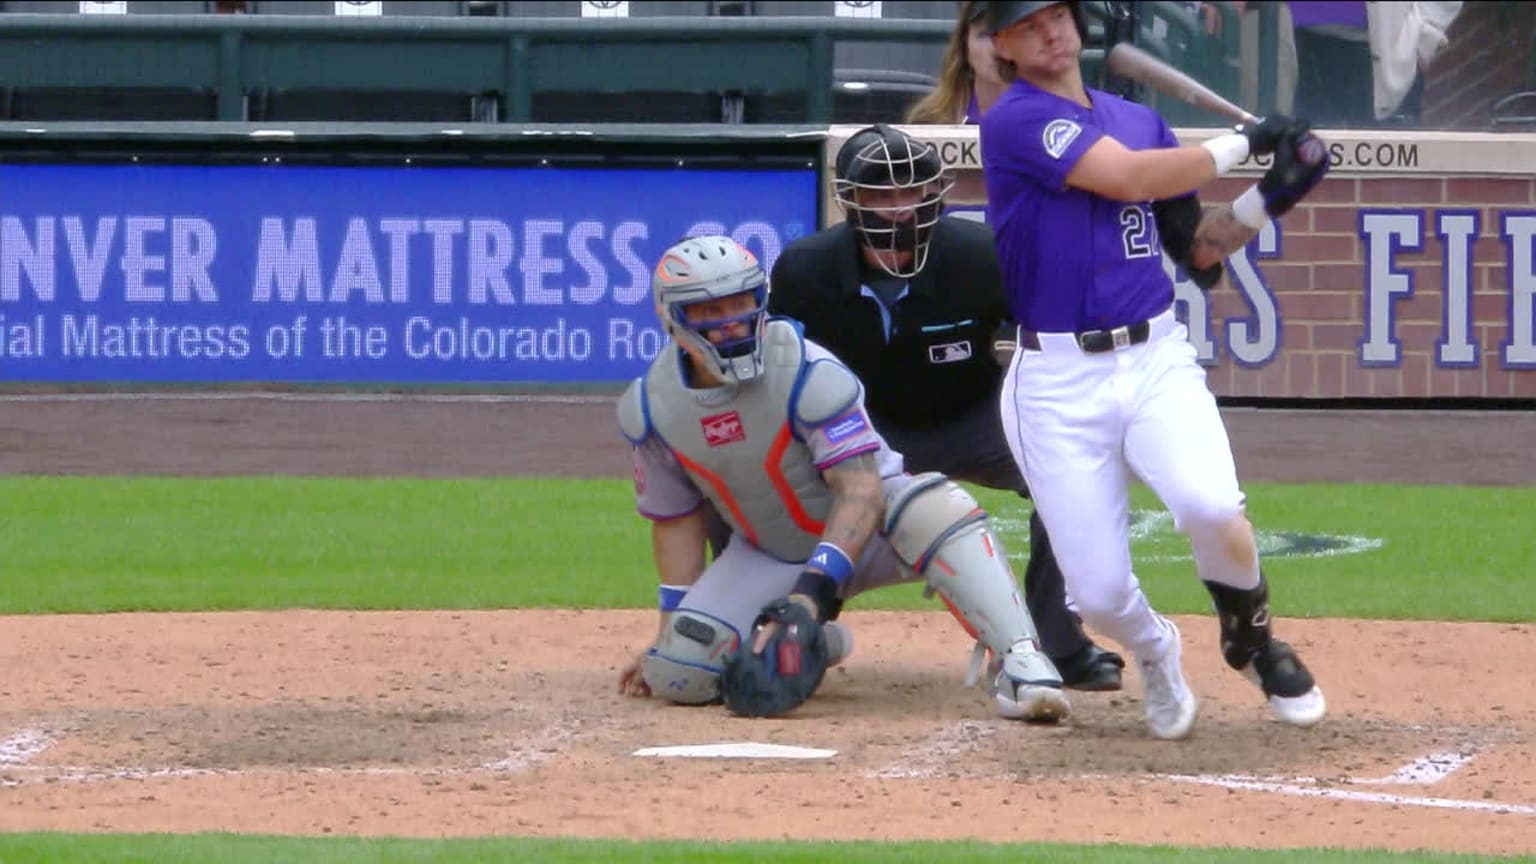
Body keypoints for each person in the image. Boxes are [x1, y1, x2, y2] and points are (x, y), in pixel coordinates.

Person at [978, 0, 1330, 739]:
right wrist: (1242, 143)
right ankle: (1154, 648)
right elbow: (1130, 179)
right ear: (1002, 45)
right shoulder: (1015, 119)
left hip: (1153, 356)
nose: (1050, 30)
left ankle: (1255, 639)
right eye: (1027, 22)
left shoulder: (1140, 122)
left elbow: (1196, 247)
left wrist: (1274, 194)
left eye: (1058, 13)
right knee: (1099, 596)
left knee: (1210, 506)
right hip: (1055, 379)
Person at [614, 234, 1069, 723]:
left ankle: (1022, 660)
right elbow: (676, 522)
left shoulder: (809, 370)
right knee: (680, 675)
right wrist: (670, 631)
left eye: (740, 302)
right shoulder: (652, 407)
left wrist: (814, 590)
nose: (730, 321)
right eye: (709, 311)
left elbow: (860, 490)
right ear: (672, 318)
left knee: (938, 507)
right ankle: (820, 645)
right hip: (773, 551)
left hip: (878, 529)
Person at [767, 123, 1125, 692]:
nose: (900, 210)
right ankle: (800, 625)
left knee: (1073, 473)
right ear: (848, 200)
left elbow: (1046, 323)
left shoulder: (982, 255)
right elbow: (779, 370)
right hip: (862, 427)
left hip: (975, 416)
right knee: (767, 478)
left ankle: (1057, 640)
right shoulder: (803, 271)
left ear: (936, 193)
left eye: (911, 192)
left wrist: (1018, 350)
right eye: (882, 195)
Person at [905, 1, 1010, 125]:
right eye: (985, 34)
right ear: (964, 46)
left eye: (1012, 33)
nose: (996, 47)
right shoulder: (929, 121)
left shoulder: (1037, 119)